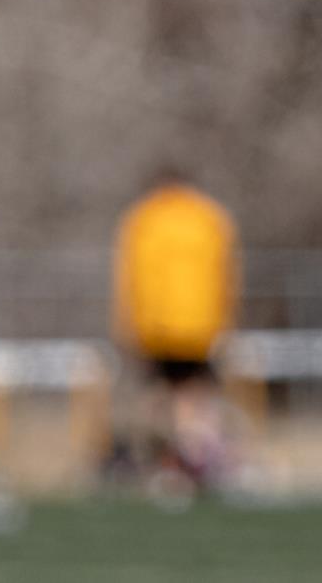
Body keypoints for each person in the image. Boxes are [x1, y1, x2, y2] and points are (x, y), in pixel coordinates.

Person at [111, 172, 239, 494]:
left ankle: (172, 461)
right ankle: (199, 458)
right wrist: (227, 320)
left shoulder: (145, 217)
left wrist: (126, 324)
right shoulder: (208, 216)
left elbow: (129, 277)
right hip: (202, 325)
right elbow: (227, 272)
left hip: (157, 327)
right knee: (196, 395)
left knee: (161, 397)